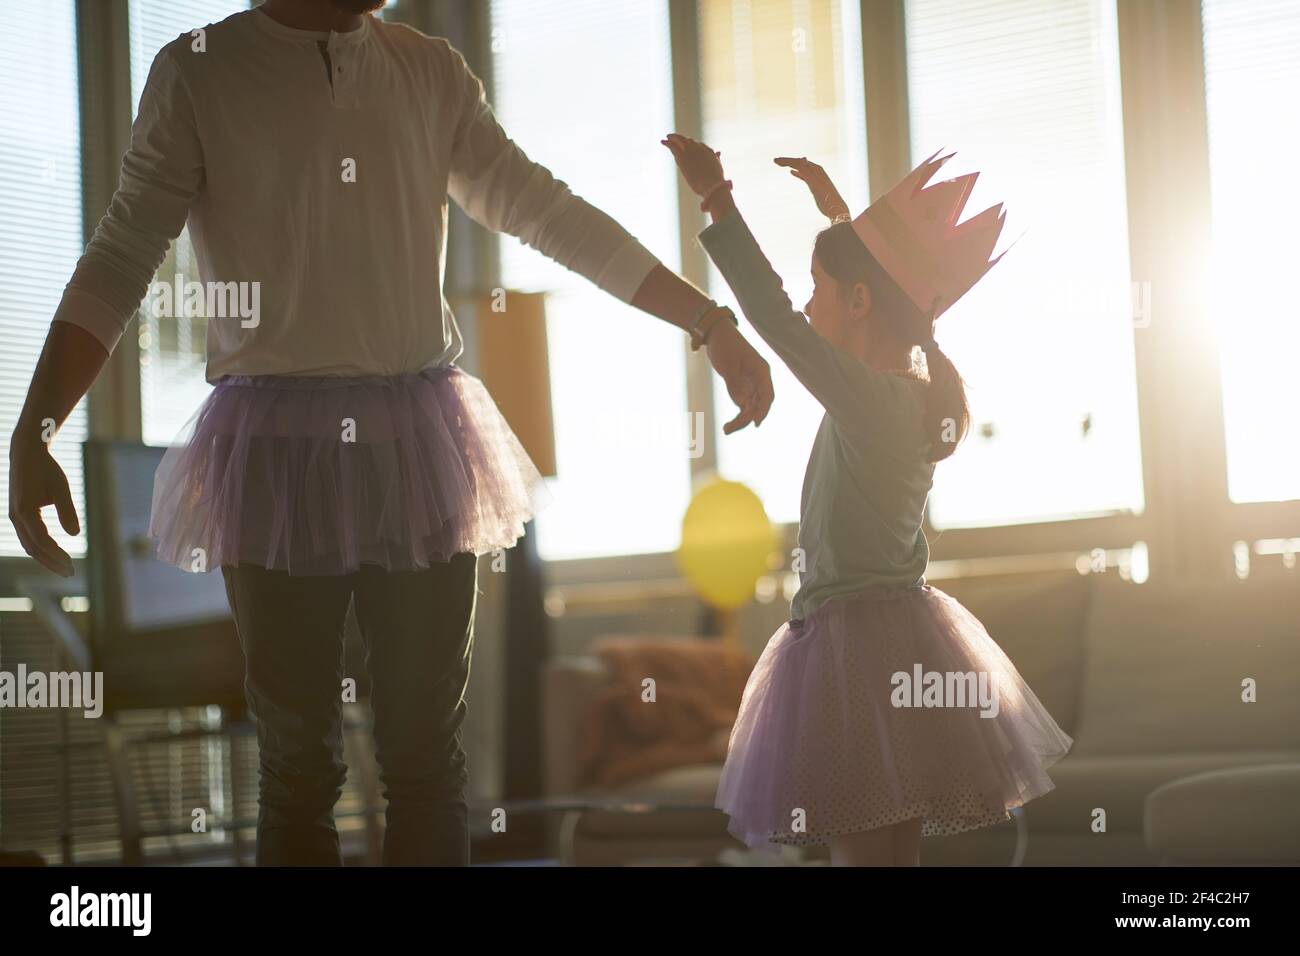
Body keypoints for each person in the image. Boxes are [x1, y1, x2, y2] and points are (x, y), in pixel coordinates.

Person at [6, 0, 773, 867]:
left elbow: (546, 212)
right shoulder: (200, 69)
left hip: (416, 440)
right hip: (276, 452)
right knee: (298, 768)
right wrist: (35, 427)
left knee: (424, 762)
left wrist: (709, 320)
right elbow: (120, 254)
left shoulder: (427, 67)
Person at [663, 133, 1073, 866]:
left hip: (850, 656)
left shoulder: (871, 401)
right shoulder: (904, 396)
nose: (809, 302)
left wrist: (716, 198)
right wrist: (842, 219)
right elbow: (886, 304)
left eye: (820, 286)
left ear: (858, 302)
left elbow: (775, 320)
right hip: (897, 645)